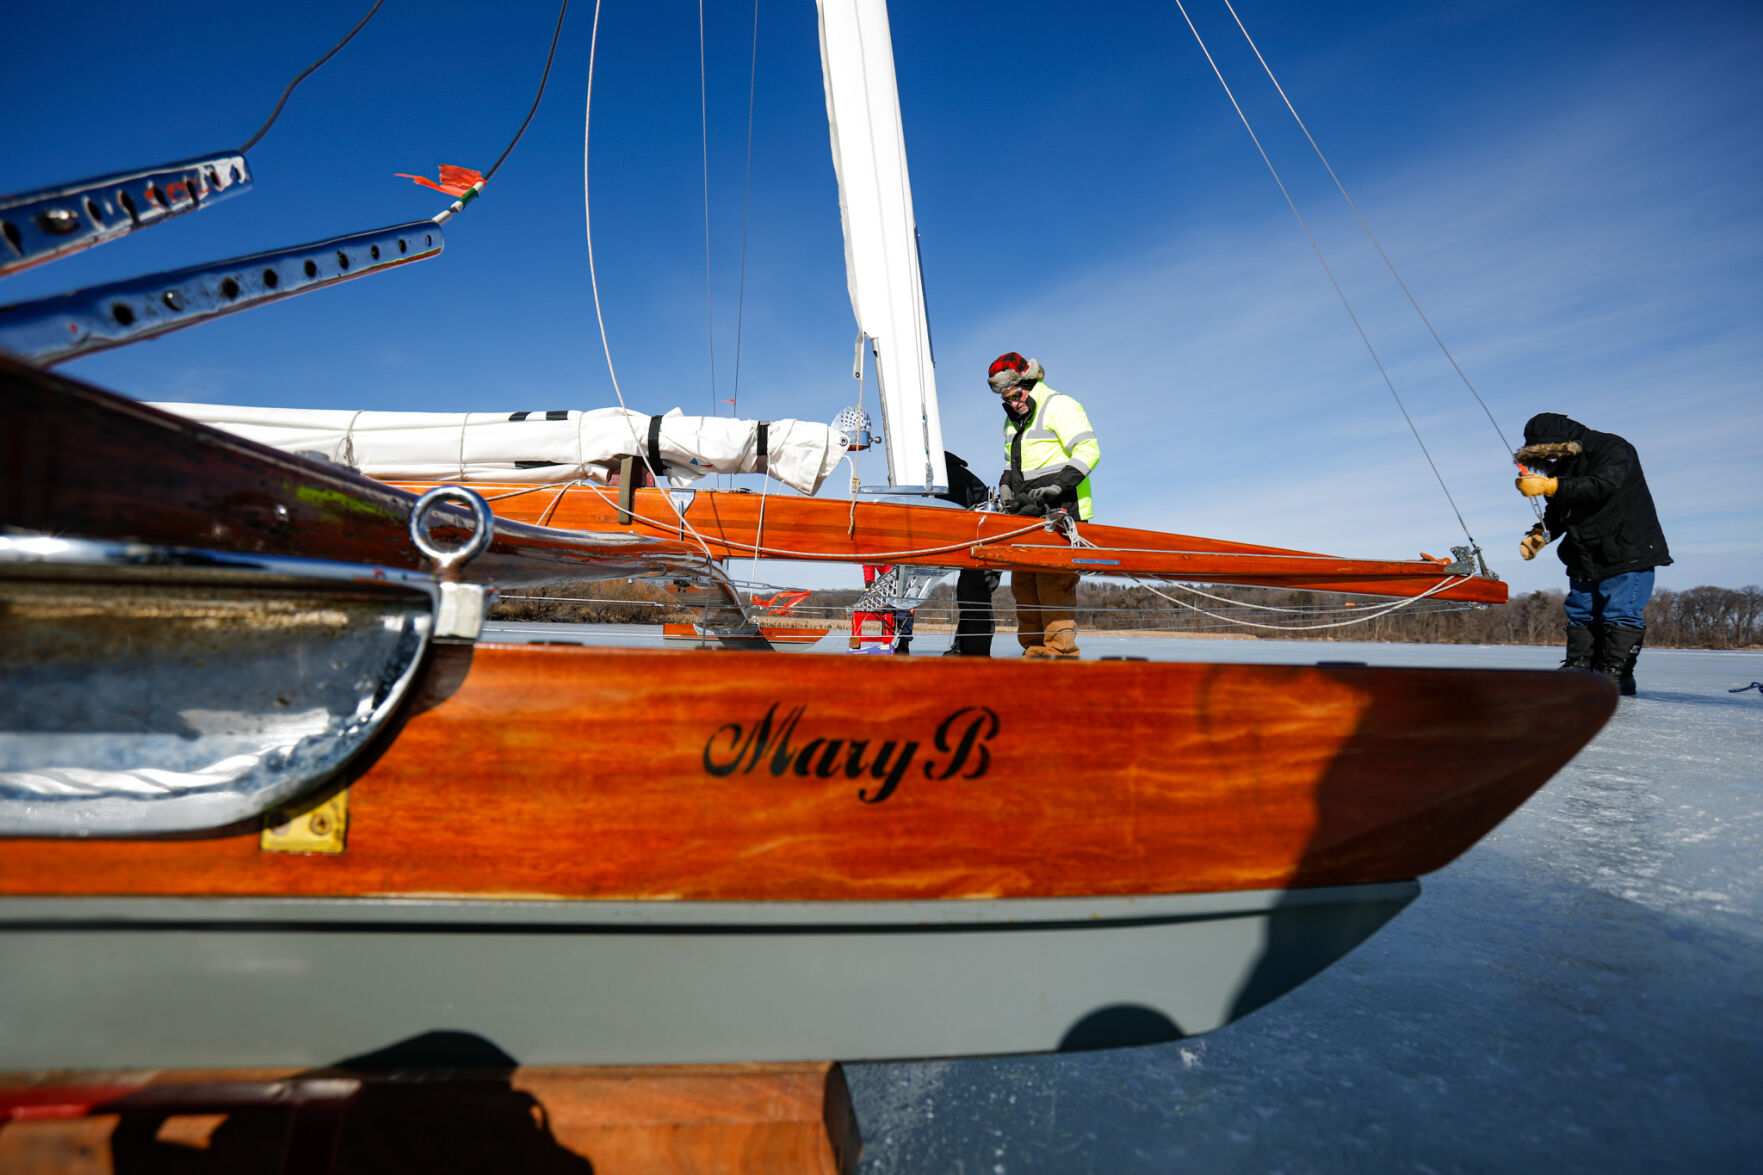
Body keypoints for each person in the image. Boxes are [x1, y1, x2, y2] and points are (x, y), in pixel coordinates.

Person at [1514, 412, 1670, 695]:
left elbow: (1602, 485)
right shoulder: (1563, 463)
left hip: (1626, 549)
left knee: (1619, 612)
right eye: (1543, 456)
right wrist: (1541, 533)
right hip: (1584, 552)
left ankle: (1616, 674)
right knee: (1581, 612)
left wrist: (1551, 485)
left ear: (1563, 441)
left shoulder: (1613, 448)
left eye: (1550, 452)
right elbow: (1561, 507)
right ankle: (1580, 668)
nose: (1550, 460)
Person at [987, 352, 1100, 659]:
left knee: (1053, 587)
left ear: (1030, 381)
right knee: (1024, 587)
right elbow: (1011, 464)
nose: (1013, 402)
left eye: (1016, 395)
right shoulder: (1012, 422)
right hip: (1025, 515)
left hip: (1062, 513)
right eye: (1006, 398)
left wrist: (1057, 486)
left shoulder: (1060, 405)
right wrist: (1006, 486)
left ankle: (1060, 656)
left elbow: (1089, 450)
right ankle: (1035, 654)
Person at [937, 451, 1001, 656]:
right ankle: (963, 648)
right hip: (979, 540)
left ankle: (976, 654)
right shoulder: (952, 475)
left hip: (988, 541)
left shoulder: (950, 478)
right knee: (968, 594)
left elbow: (948, 518)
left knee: (975, 595)